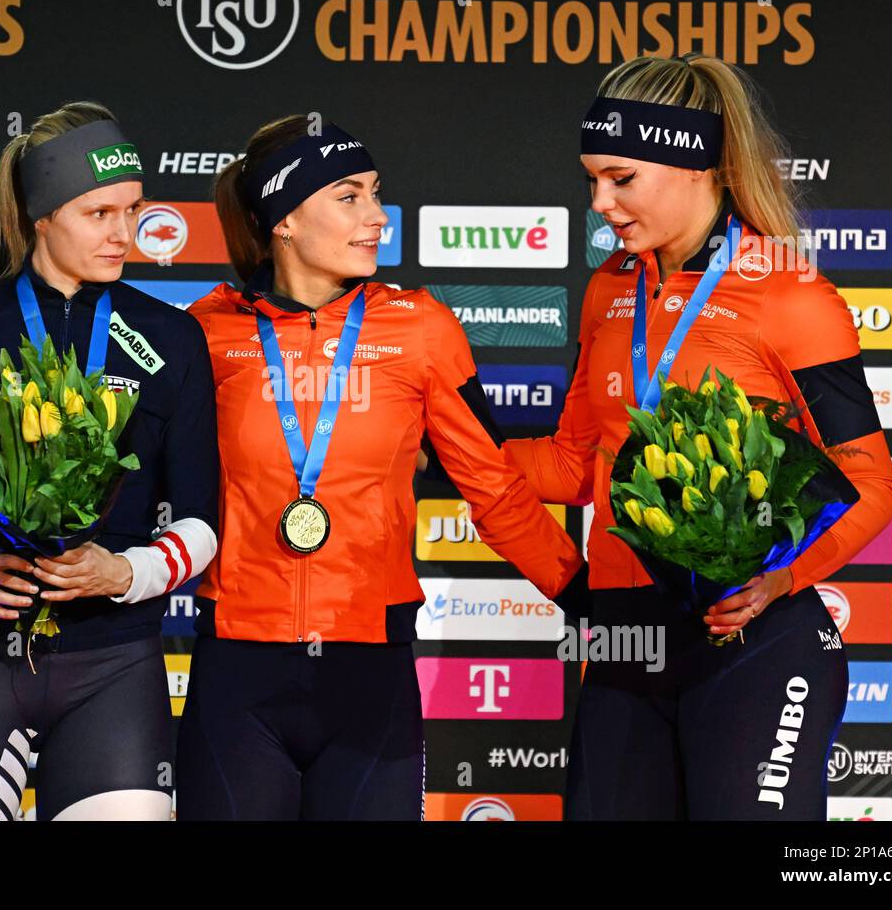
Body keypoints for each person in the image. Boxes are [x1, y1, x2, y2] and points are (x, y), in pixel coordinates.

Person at [503, 53, 892, 819]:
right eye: (592, 179)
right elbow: (577, 463)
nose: (600, 203)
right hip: (623, 644)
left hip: (753, 643)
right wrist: (444, 440)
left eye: (621, 178)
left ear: (698, 164)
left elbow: (872, 483)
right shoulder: (609, 288)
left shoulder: (790, 294)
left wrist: (782, 579)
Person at [175, 116, 589, 820]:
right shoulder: (205, 331)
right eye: (349, 196)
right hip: (237, 668)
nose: (377, 216)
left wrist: (585, 594)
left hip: (370, 671)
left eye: (375, 193)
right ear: (283, 219)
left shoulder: (420, 328)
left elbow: (489, 483)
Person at [0, 101, 219, 821]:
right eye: (98, 213)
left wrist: (124, 573)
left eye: (133, 210)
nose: (125, 234)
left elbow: (204, 523)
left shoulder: (172, 337)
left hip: (114, 661)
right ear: (41, 213)